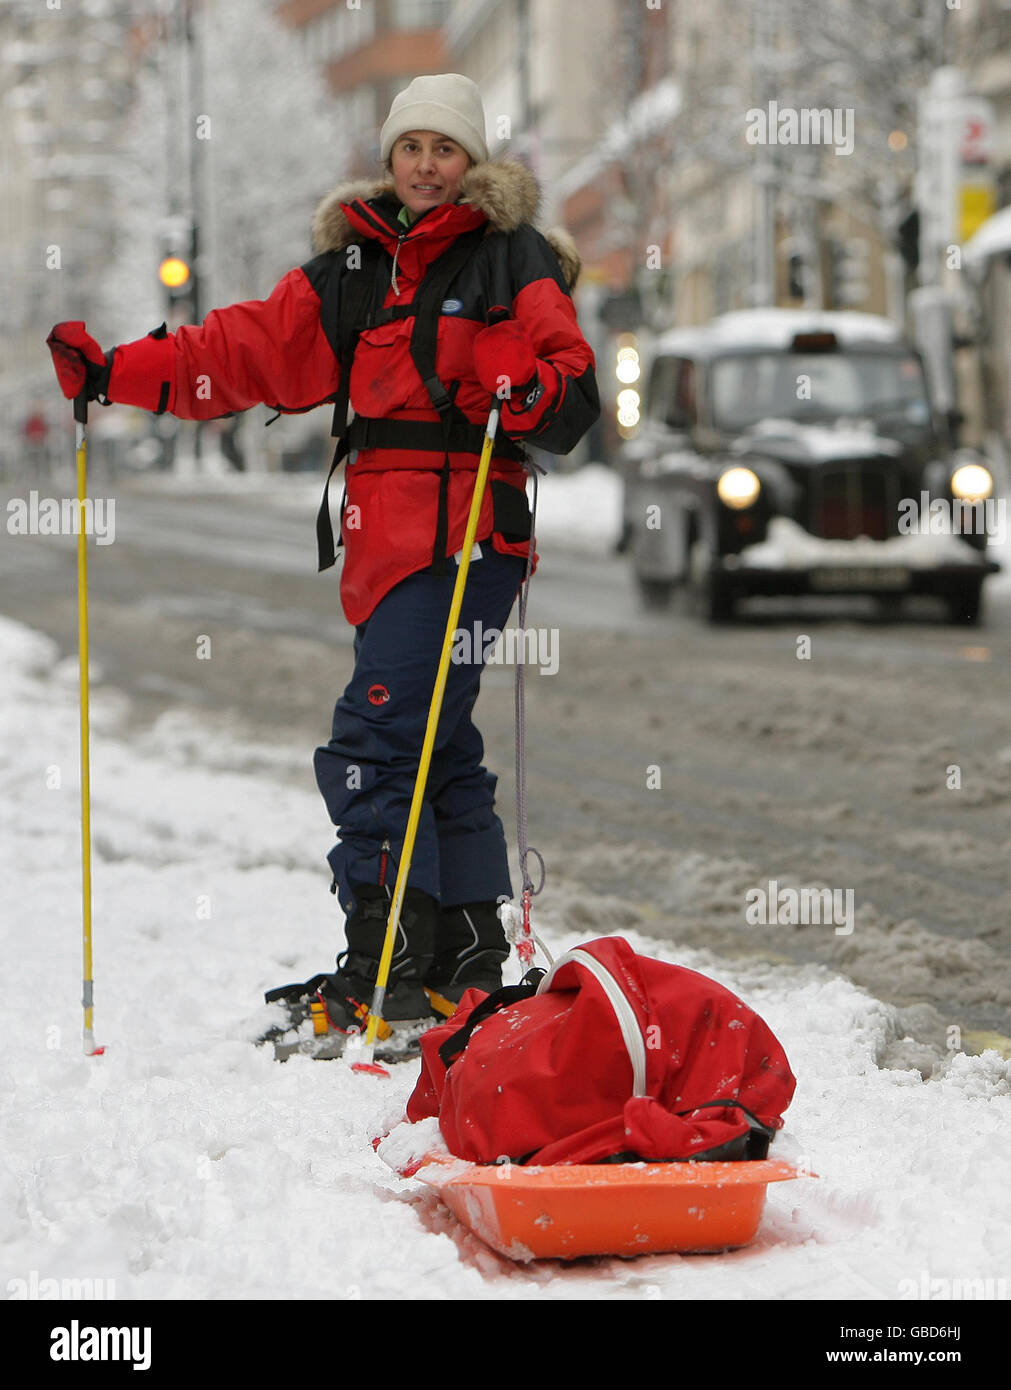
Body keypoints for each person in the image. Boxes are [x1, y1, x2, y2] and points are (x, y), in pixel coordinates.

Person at [46, 73, 600, 1045]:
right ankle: (460, 961)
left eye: (446, 148)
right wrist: (112, 372)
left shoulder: (511, 259)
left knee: (374, 742)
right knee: (439, 749)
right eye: (410, 146)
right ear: (388, 158)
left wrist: (522, 386)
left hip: (469, 533)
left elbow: (572, 386)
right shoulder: (355, 269)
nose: (427, 165)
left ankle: (383, 966)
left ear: (473, 162)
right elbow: (237, 351)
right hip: (383, 538)